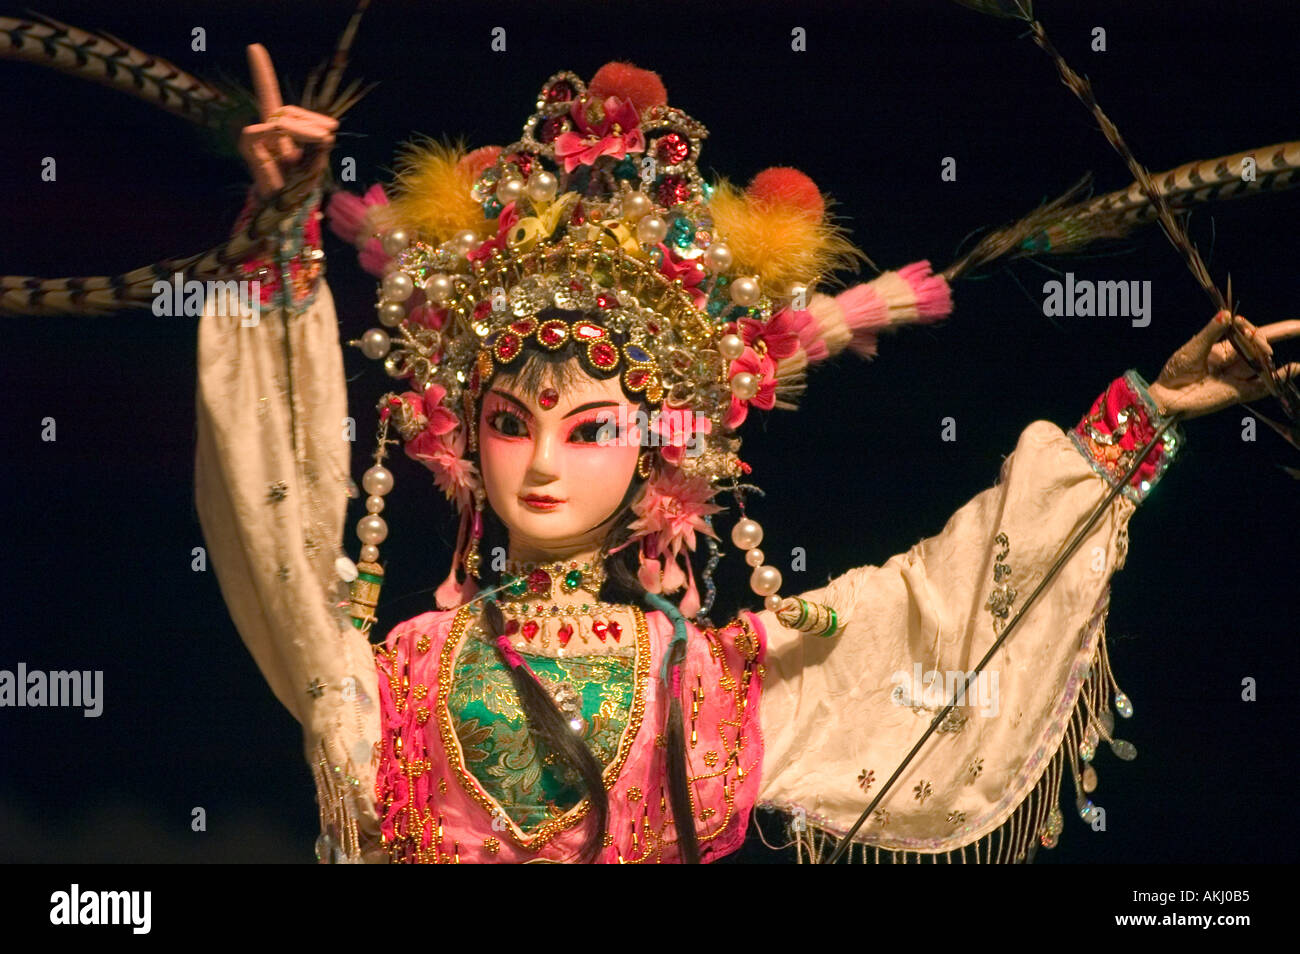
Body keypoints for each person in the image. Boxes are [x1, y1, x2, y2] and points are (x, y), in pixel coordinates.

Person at [193, 45, 1298, 864]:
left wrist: (1143, 415)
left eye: (590, 430)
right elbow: (272, 516)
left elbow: (945, 601)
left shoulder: (711, 678)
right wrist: (280, 226)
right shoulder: (396, 673)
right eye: (510, 422)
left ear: (657, 453)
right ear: (460, 437)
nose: (541, 464)